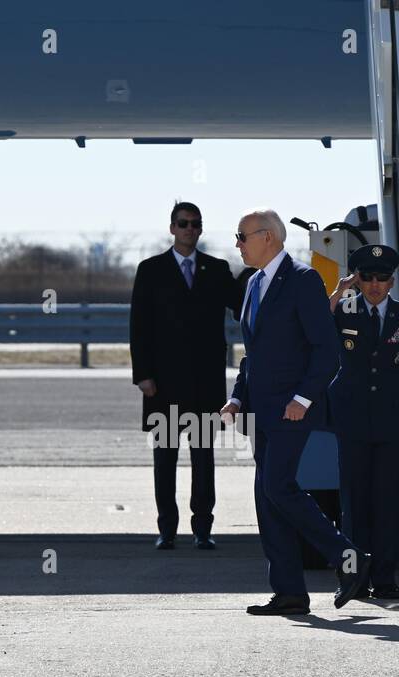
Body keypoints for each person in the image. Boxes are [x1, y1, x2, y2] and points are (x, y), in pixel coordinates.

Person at [219, 208, 370, 615]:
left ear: (267, 237)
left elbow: (326, 350)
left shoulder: (303, 281)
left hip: (292, 410)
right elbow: (254, 355)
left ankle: (348, 559)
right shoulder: (252, 284)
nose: (238, 244)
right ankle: (289, 591)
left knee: (279, 487)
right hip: (262, 411)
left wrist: (302, 399)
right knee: (267, 497)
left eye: (242, 236)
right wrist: (237, 397)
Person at [326, 244, 399, 600]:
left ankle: (385, 578)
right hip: (351, 418)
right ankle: (355, 577)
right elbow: (315, 326)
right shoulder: (343, 310)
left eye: (382, 278)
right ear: (358, 279)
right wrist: (340, 291)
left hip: (393, 421)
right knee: (354, 502)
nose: (374, 285)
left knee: (388, 500)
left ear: (392, 280)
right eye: (367, 278)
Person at [130, 202, 237, 550]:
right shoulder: (151, 270)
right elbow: (139, 326)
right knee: (165, 458)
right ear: (172, 228)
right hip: (162, 384)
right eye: (183, 223)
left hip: (205, 384)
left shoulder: (217, 269)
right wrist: (143, 375)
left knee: (204, 458)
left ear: (201, 229)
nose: (189, 229)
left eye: (195, 224)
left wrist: (264, 266)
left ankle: (203, 529)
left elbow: (242, 303)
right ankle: (167, 529)